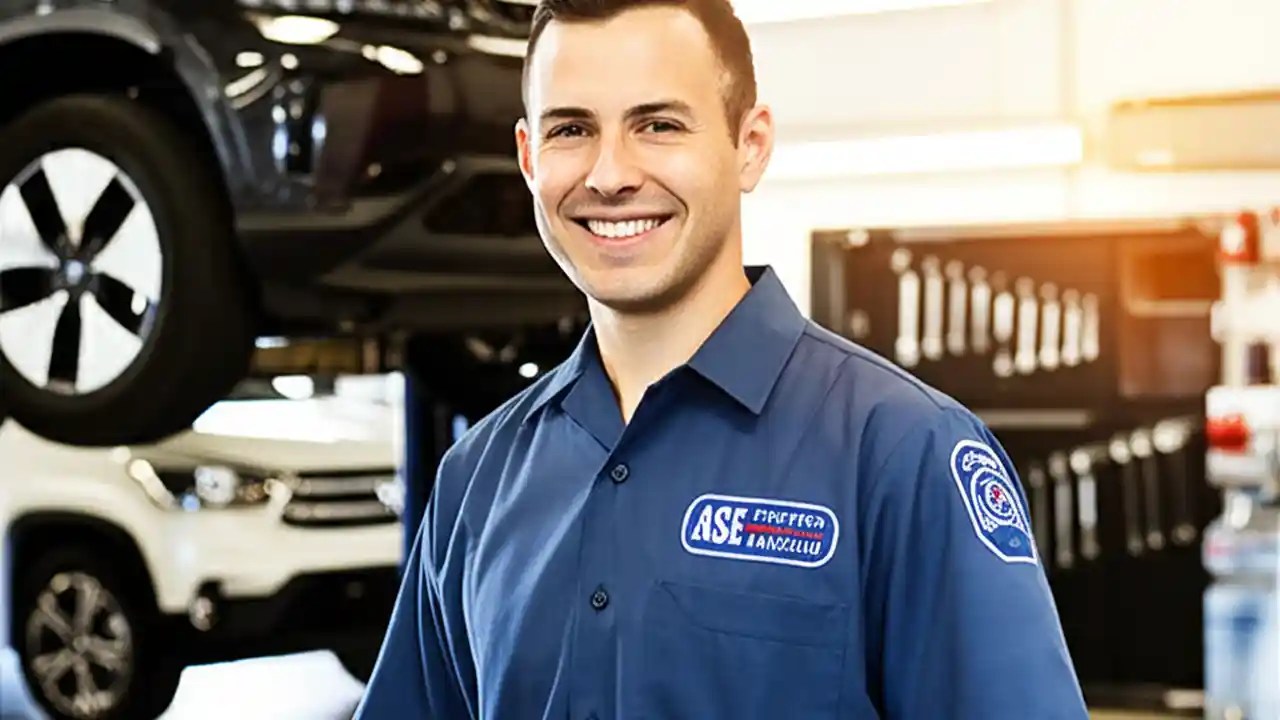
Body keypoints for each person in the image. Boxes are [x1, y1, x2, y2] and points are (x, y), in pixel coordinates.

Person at [354, 0, 1089, 717]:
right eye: (572, 129)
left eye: (659, 125)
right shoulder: (478, 478)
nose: (610, 175)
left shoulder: (902, 452)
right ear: (528, 157)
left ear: (750, 146)